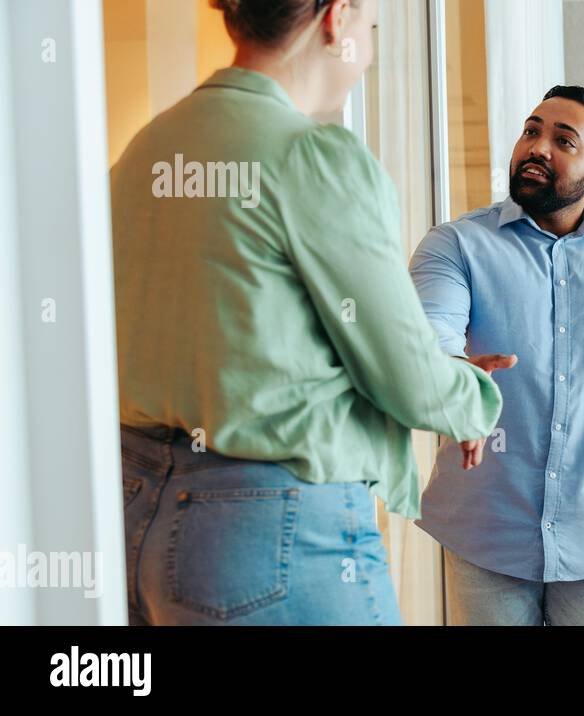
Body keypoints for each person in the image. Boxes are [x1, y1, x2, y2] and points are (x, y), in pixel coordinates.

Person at [112, 0, 506, 625]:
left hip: (134, 517)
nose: (370, 53)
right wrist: (471, 396)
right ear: (337, 17)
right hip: (266, 533)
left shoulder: (147, 150)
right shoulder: (312, 157)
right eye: (371, 29)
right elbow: (403, 375)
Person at [411, 86, 584, 626]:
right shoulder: (456, 246)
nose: (538, 147)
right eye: (531, 130)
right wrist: (453, 375)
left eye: (563, 140)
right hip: (484, 532)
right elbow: (429, 333)